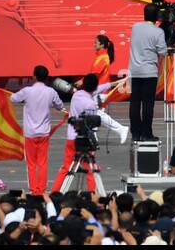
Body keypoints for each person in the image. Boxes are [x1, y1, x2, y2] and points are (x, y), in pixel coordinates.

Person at [51, 72, 124, 193]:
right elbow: (93, 122)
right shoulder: (91, 104)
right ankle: (92, 194)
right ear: (94, 88)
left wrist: (113, 84)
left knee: (66, 168)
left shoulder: (76, 95)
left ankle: (55, 193)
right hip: (84, 140)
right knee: (90, 170)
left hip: (71, 138)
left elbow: (96, 89)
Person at [11, 65, 65, 195]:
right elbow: (60, 105)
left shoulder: (27, 91)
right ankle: (41, 189)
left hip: (30, 133)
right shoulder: (50, 92)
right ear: (46, 78)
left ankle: (34, 189)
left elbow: (12, 98)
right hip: (44, 133)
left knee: (31, 164)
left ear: (34, 76)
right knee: (42, 163)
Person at [127, 14, 168, 140]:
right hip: (149, 72)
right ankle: (146, 133)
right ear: (157, 17)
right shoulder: (158, 31)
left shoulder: (135, 27)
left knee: (134, 102)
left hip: (134, 71)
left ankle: (135, 133)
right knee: (147, 104)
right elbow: (163, 52)